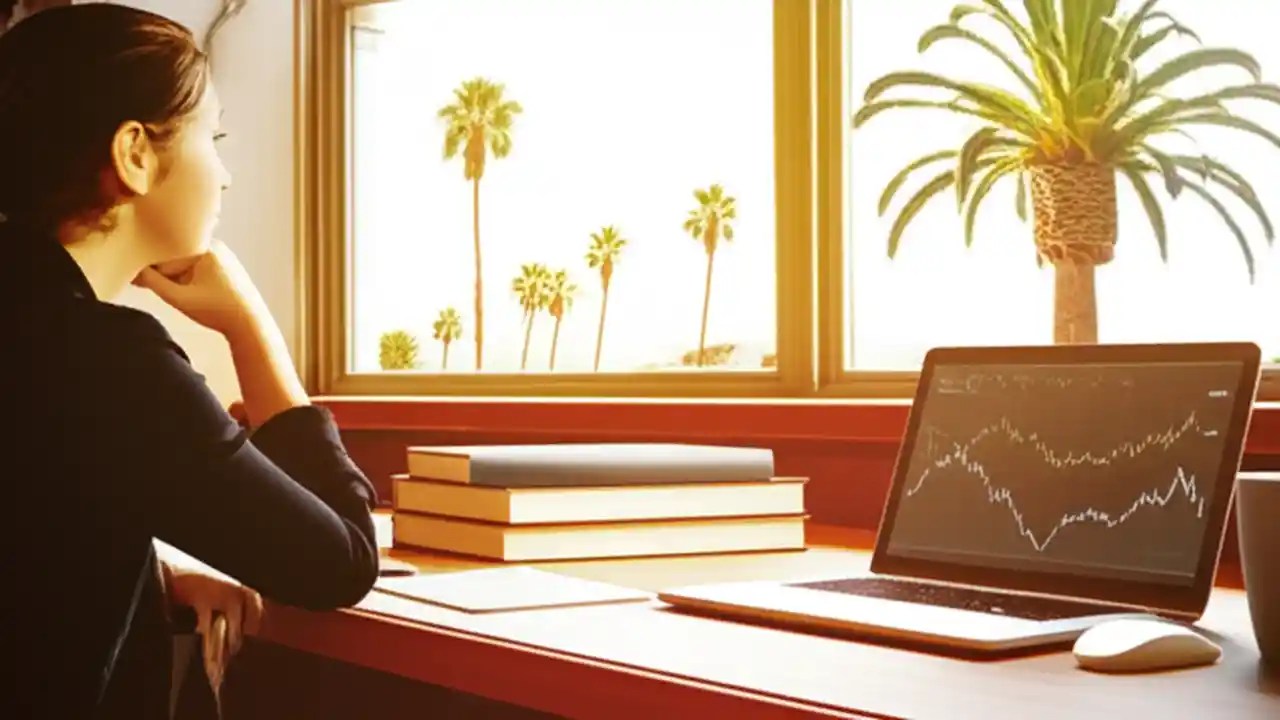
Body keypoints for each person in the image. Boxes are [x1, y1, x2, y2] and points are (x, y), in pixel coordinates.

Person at [0, 4, 380, 718]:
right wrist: (250, 324)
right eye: (216, 136)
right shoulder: (108, 363)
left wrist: (157, 574)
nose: (227, 176)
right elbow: (340, 563)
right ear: (135, 154)